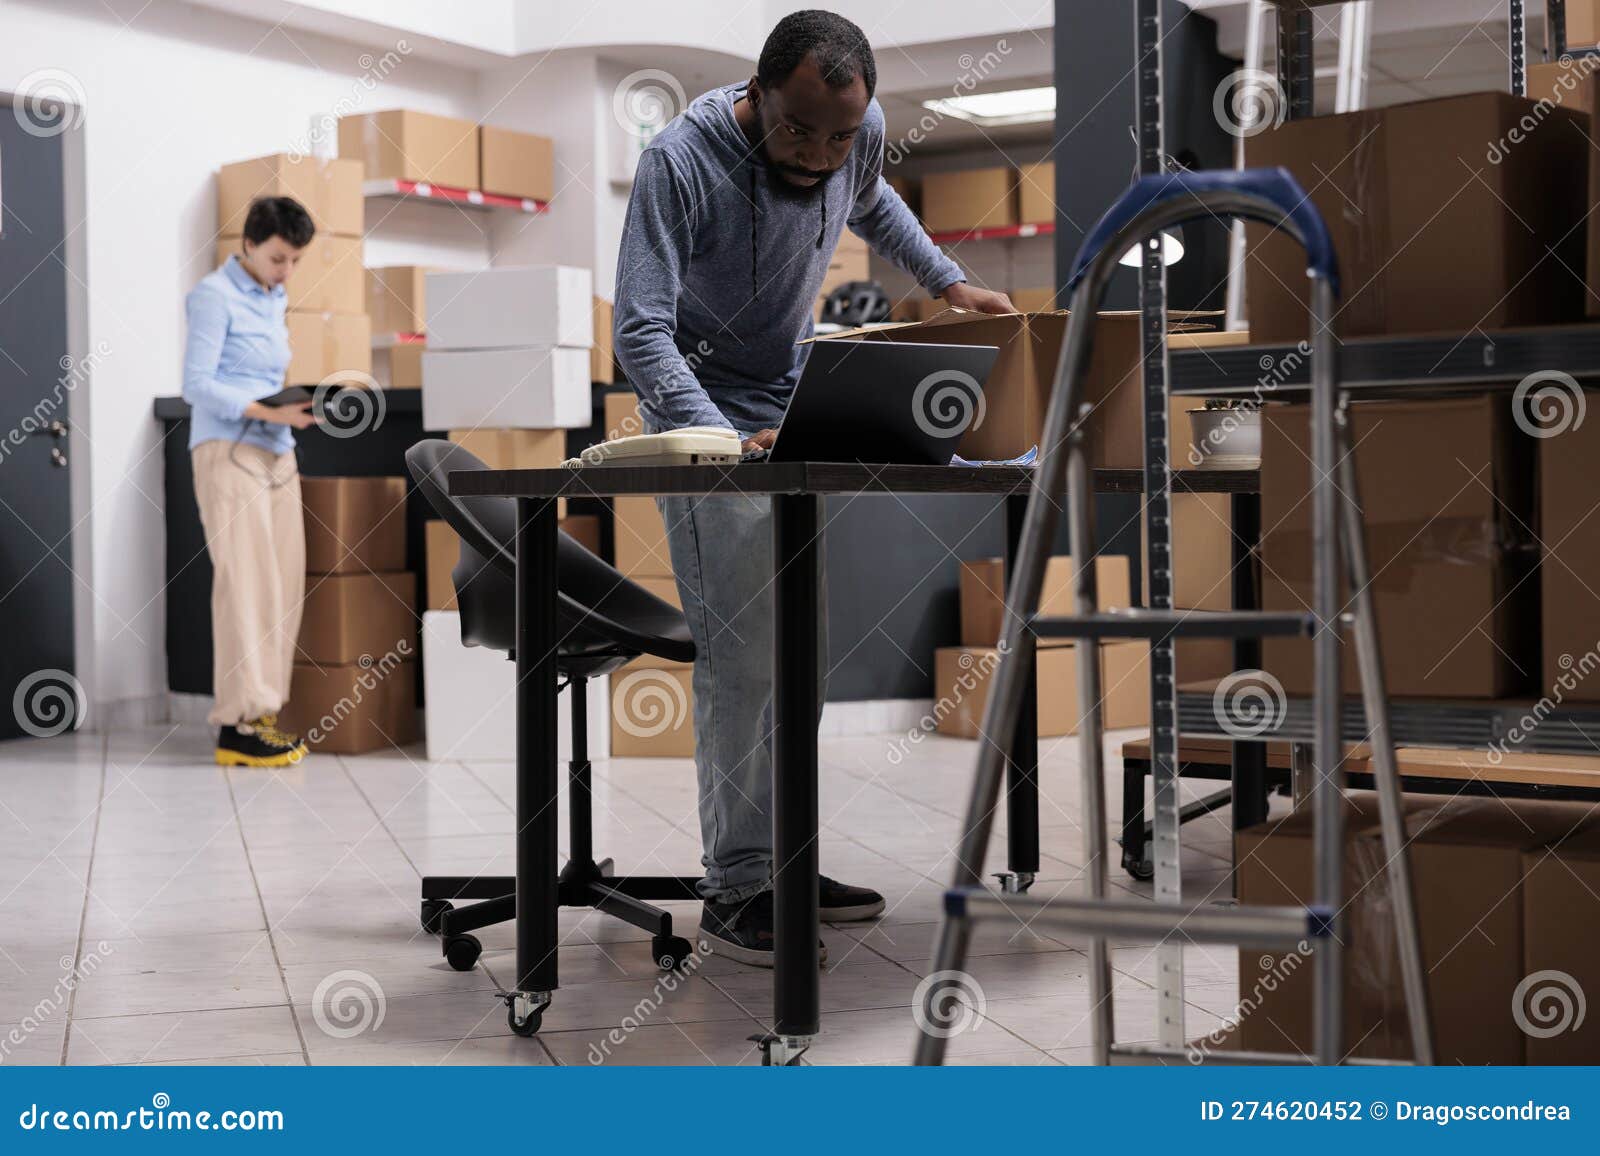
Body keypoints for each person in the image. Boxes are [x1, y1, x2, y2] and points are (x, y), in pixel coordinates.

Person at [613, 9, 1015, 966]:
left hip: (788, 405)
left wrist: (950, 283)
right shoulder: (682, 160)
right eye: (802, 132)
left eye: (842, 134)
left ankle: (784, 862)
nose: (823, 153)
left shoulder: (854, 137)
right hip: (705, 413)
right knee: (747, 656)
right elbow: (641, 328)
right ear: (757, 96)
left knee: (799, 645)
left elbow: (874, 199)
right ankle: (739, 886)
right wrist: (710, 435)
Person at [184, 196, 319, 768]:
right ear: (247, 245)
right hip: (229, 451)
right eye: (277, 258)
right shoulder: (213, 296)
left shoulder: (275, 296)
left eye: (293, 261)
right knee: (244, 584)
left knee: (282, 582)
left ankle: (263, 713)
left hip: (278, 452)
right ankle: (235, 725)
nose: (285, 271)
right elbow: (197, 385)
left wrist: (296, 412)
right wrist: (268, 413)